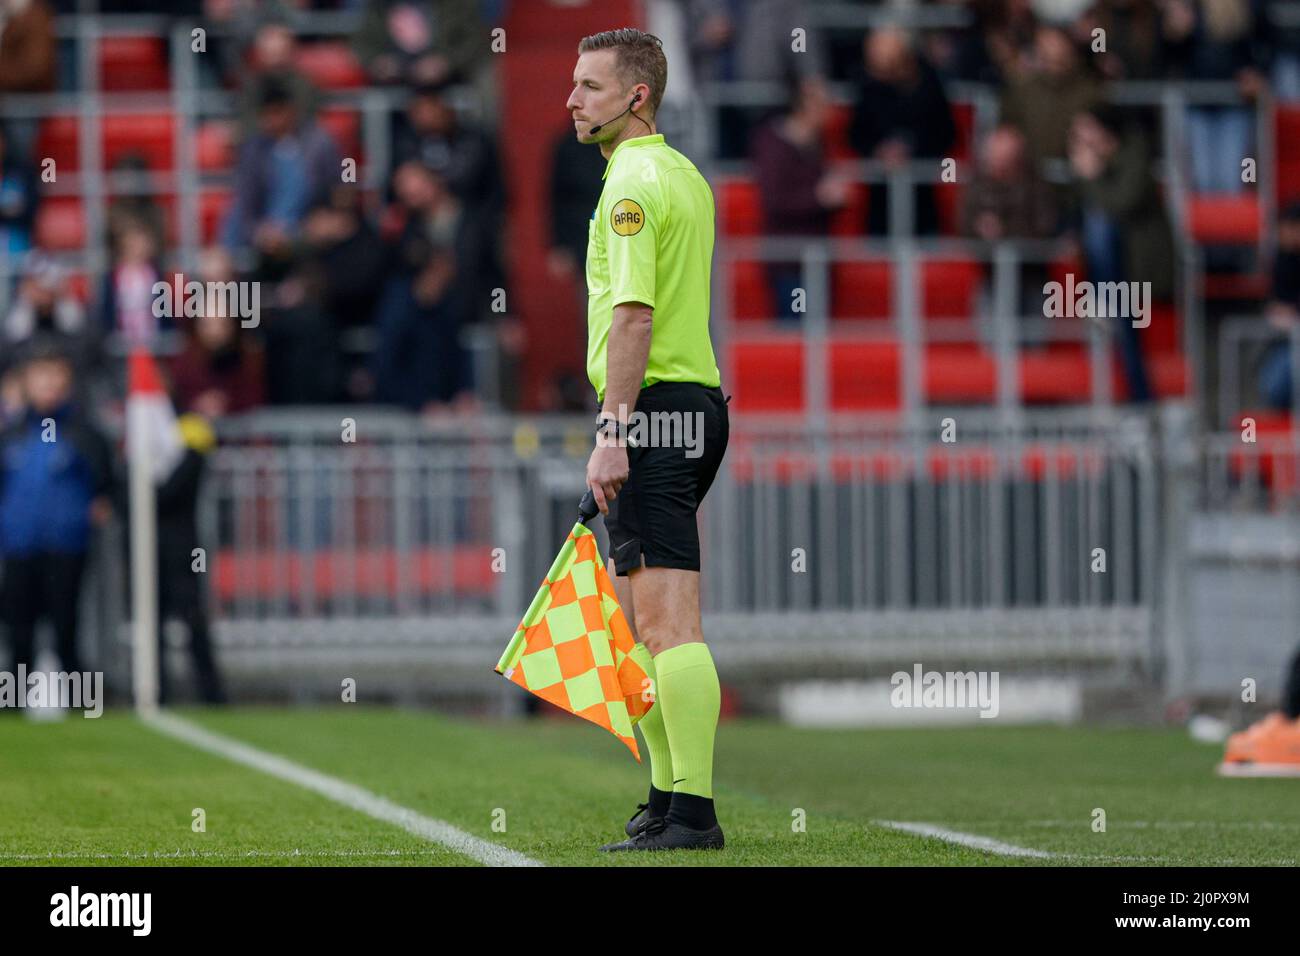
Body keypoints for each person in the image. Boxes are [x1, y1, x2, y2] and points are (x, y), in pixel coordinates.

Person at [567, 28, 730, 852]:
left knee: (667, 625)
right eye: (573, 85)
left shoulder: (629, 182)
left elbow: (634, 316)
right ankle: (667, 799)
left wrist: (611, 431)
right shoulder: (682, 172)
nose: (573, 100)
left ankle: (693, 814)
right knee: (643, 624)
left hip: (655, 408)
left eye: (592, 86)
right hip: (689, 401)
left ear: (637, 97)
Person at [0, 341, 113, 679]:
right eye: (39, 376)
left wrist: (98, 506)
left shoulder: (85, 434)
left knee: (67, 628)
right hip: (19, 545)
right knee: (19, 632)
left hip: (67, 546)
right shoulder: (12, 435)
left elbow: (107, 484)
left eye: (54, 375)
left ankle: (79, 705)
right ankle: (13, 705)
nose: (47, 384)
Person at [750, 74, 849, 319]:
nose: (829, 111)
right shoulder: (774, 145)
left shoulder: (817, 143)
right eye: (823, 104)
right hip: (788, 259)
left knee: (818, 337)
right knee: (794, 336)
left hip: (817, 256)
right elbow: (773, 200)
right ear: (806, 107)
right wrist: (820, 198)